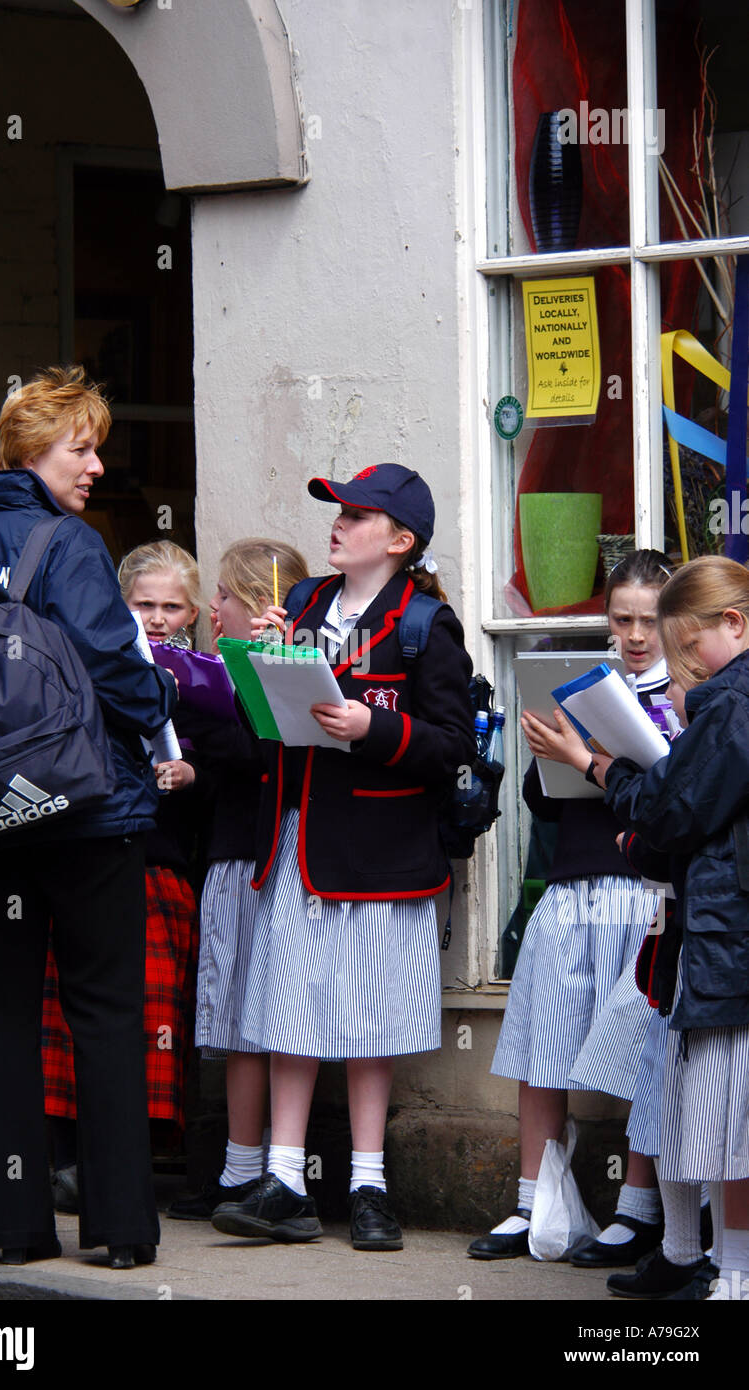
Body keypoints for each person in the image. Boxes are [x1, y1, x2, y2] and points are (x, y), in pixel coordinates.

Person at [0, 366, 177, 1268]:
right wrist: (160, 707)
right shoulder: (68, 545)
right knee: (105, 1011)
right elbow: (112, 664)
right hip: (86, 812)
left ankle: (11, 1223)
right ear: (30, 451)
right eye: (81, 446)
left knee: (6, 1016)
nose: (96, 464)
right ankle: (117, 1228)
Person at [210, 463, 476, 1250]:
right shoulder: (302, 604)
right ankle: (284, 1180)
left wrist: (375, 729)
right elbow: (261, 729)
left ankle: (368, 1184)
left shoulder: (425, 622)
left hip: (381, 848)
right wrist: (258, 668)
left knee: (370, 1018)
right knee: (290, 1008)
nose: (337, 524)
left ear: (400, 541)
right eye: (336, 510)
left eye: (357, 516)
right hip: (296, 836)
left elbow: (454, 748)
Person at [468, 550, 672, 1265]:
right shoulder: (582, 687)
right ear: (606, 620)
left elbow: (680, 800)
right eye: (623, 619)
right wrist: (551, 749)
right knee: (541, 1046)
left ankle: (638, 1209)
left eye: (651, 620)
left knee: (650, 1051)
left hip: (649, 894)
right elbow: (539, 803)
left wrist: (611, 756)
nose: (638, 634)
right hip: (573, 880)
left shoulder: (687, 698)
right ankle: (535, 1202)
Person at [590, 555, 749, 1300]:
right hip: (715, 927)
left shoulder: (732, 704)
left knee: (723, 1113)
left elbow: (672, 814)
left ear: (734, 624)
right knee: (708, 1104)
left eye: (688, 648)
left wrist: (611, 774)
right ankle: (704, 1262)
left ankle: (728, 1274)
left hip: (727, 935)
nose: (684, 667)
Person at [42, 540, 203, 1210]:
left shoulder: (205, 678)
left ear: (193, 612)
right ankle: (65, 1157)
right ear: (118, 604)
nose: (158, 617)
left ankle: (132, 1158)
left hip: (165, 865)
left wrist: (195, 773)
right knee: (69, 1010)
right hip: (96, 854)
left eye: (171, 605)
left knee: (153, 1017)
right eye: (144, 603)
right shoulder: (95, 666)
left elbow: (241, 761)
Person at [167, 538, 309, 1221]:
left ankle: (260, 1171)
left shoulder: (291, 660)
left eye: (220, 595)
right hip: (227, 849)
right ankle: (237, 1166)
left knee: (262, 1011)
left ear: (252, 602)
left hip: (262, 852)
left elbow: (264, 751)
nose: (210, 609)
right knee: (233, 1016)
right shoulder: (208, 663)